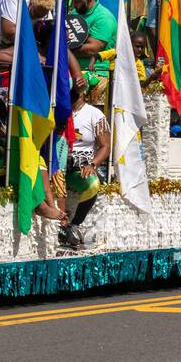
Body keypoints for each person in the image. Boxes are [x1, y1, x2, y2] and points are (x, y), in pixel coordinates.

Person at [61, 78, 109, 242]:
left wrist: (92, 165)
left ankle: (74, 224)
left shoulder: (95, 114)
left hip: (78, 169)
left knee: (93, 184)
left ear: (82, 91)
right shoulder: (57, 109)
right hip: (57, 166)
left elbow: (105, 147)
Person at [69, 0, 116, 105]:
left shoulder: (104, 18)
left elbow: (93, 48)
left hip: (96, 74)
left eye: (77, 1)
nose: (74, 5)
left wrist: (67, 50)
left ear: (89, 0)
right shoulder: (75, 13)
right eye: (73, 1)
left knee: (84, 110)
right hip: (73, 71)